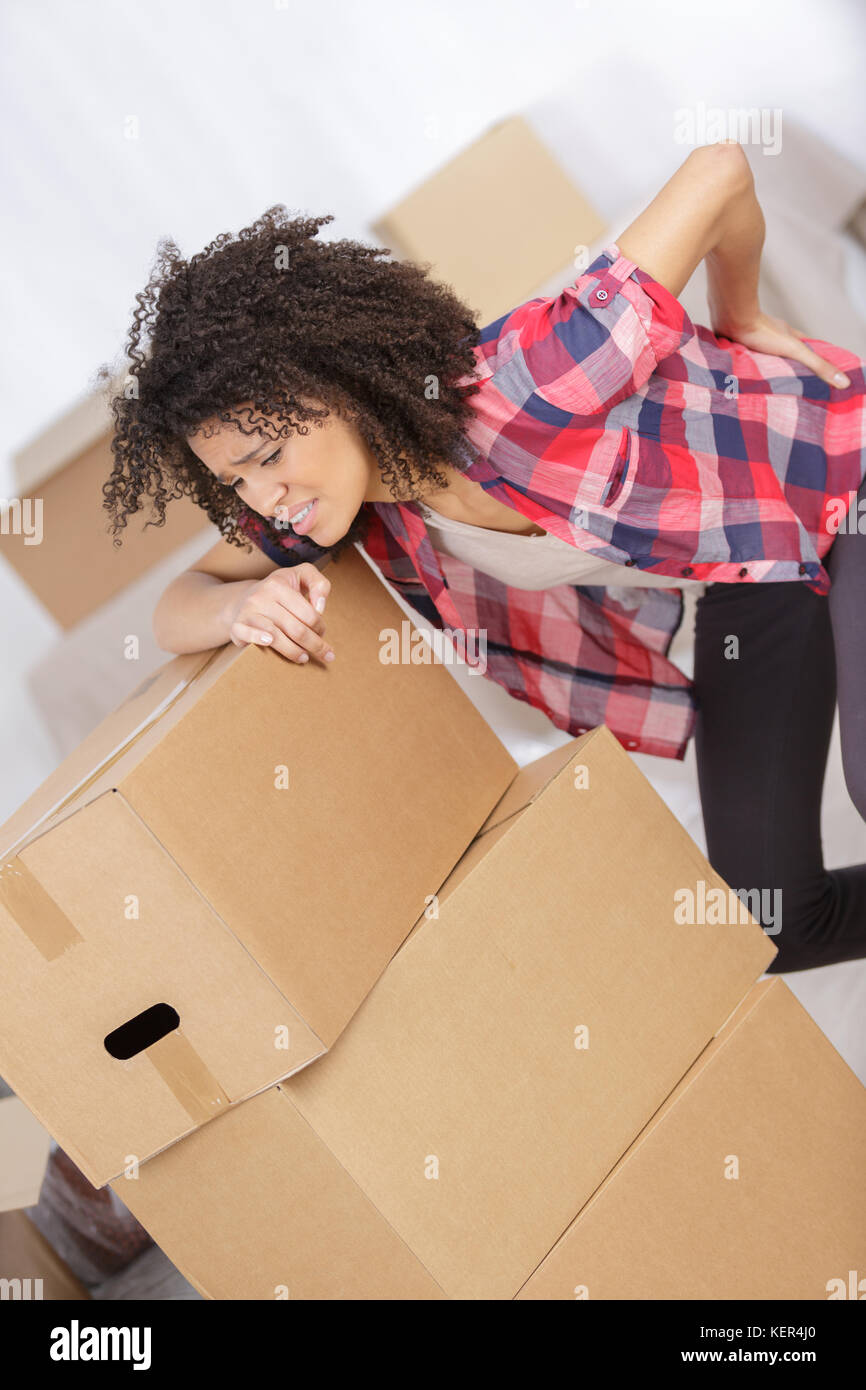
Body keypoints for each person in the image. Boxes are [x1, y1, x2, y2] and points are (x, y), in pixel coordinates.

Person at [102, 140, 866, 973]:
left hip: (843, 472)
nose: (259, 499)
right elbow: (181, 600)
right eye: (232, 484)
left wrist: (742, 313)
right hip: (757, 568)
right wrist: (231, 609)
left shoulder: (536, 376)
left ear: (341, 388)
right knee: (775, 919)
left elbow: (720, 170)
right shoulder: (352, 511)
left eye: (266, 460)